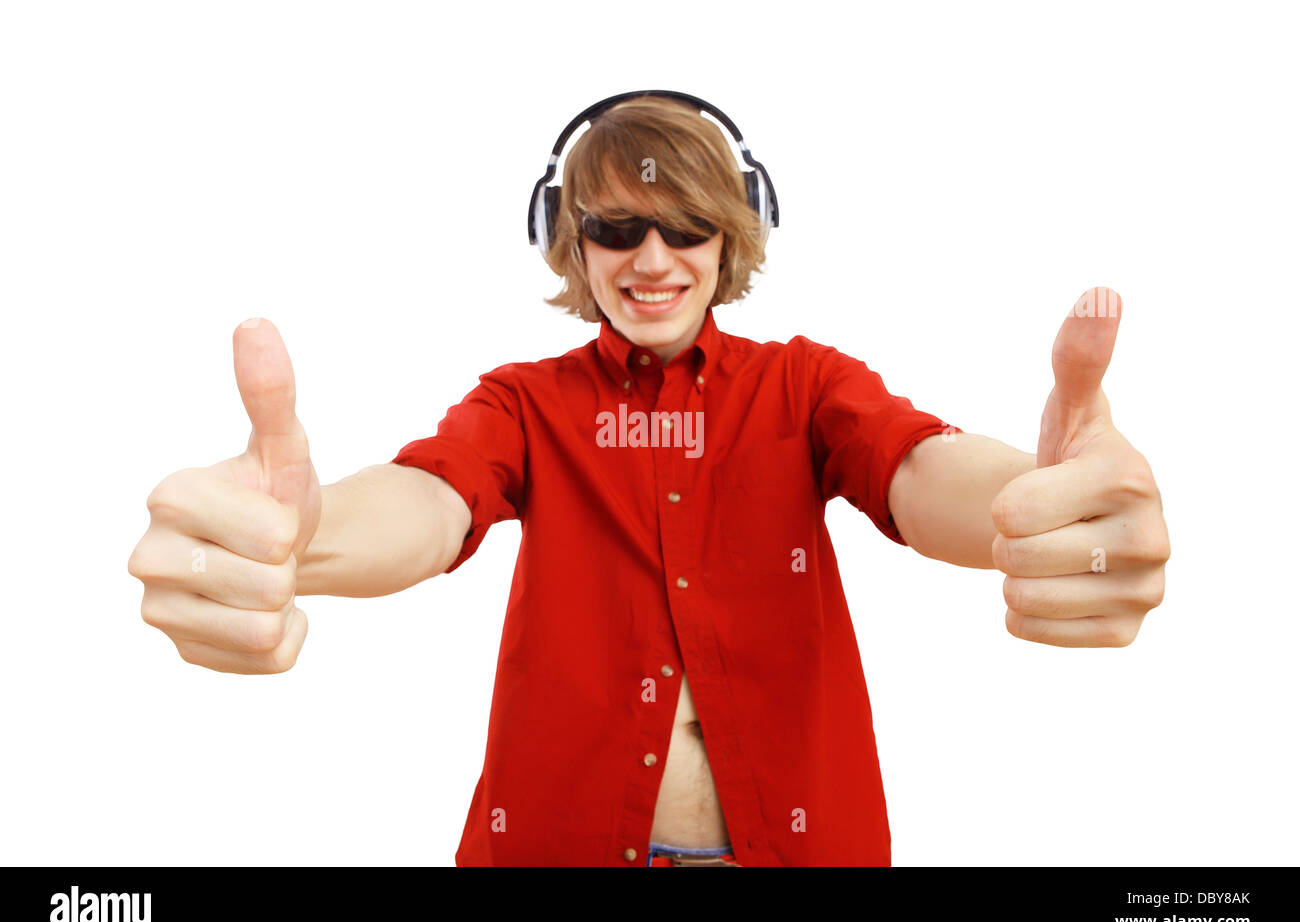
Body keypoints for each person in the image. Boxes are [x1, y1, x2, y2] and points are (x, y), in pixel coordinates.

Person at [127, 93, 1170, 867]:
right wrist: (298, 540)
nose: (652, 255)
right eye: (615, 227)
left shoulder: (806, 385)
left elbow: (915, 465)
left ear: (731, 234)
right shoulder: (523, 402)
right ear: (570, 246)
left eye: (684, 226)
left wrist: (1029, 509)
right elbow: (431, 499)